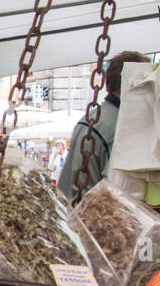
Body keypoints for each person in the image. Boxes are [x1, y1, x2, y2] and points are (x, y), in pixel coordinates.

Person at [56, 50, 147, 201]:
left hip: (70, 211)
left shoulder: (90, 118)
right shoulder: (118, 126)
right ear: (133, 83)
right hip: (93, 217)